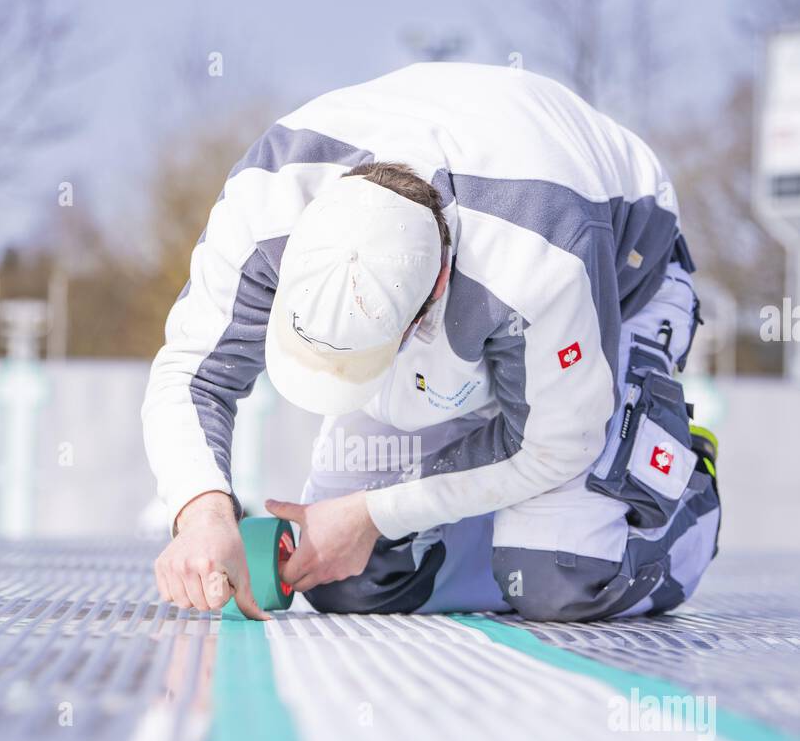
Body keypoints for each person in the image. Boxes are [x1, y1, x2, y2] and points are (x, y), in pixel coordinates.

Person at [142, 63, 719, 620]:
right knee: (351, 579)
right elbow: (192, 374)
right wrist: (203, 515)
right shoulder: (263, 201)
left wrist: (372, 514)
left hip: (619, 280)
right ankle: (507, 543)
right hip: (475, 299)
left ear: (435, 290)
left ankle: (673, 493)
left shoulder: (542, 255)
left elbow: (555, 445)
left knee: (560, 577)